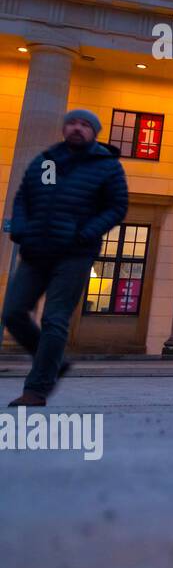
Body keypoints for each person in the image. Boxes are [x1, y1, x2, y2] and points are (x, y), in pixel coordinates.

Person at [4, 109, 128, 407]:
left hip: (74, 253)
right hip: (36, 249)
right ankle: (54, 362)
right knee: (12, 313)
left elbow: (117, 207)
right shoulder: (47, 161)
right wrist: (21, 230)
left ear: (94, 132)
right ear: (64, 128)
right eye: (72, 123)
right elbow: (25, 197)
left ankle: (37, 388)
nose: (77, 128)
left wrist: (86, 233)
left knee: (54, 319)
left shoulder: (106, 166)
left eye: (85, 125)